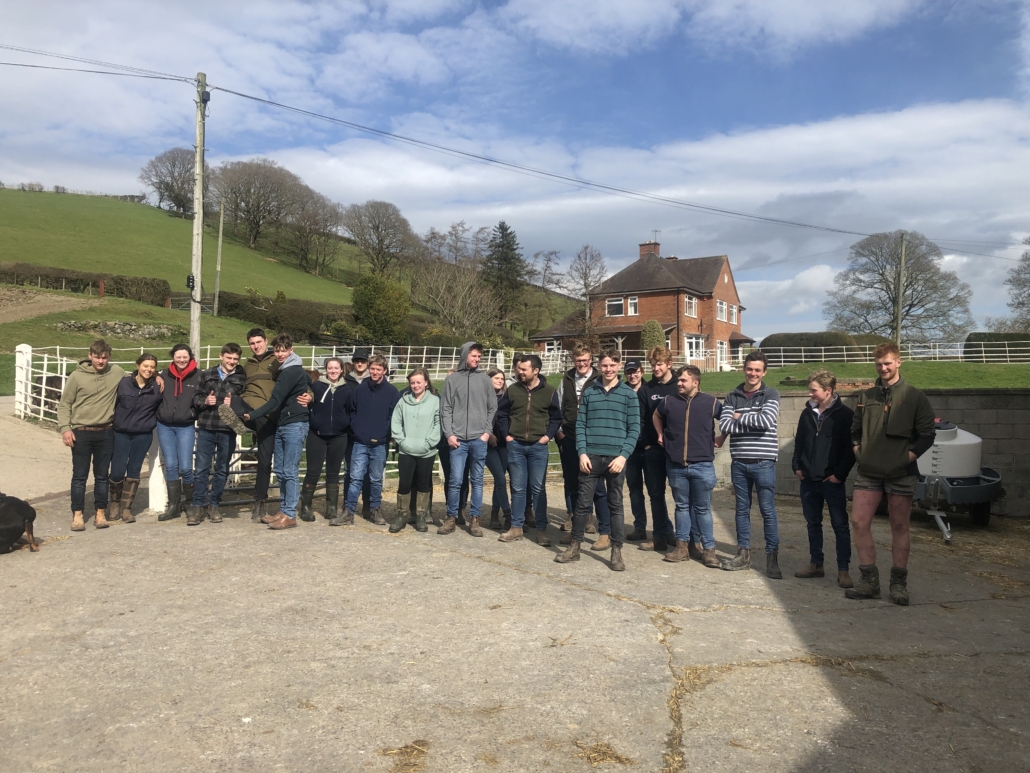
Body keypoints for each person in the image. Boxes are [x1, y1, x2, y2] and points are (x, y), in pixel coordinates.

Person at [848, 343, 935, 605]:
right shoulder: (866, 396)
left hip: (902, 472)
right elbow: (854, 431)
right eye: (879, 364)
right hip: (869, 470)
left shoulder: (915, 396)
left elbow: (927, 435)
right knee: (859, 521)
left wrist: (906, 457)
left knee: (899, 526)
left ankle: (898, 584)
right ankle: (869, 582)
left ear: (898, 362)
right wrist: (859, 452)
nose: (883, 368)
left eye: (887, 363)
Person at [555, 349, 639, 571]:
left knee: (616, 505)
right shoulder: (590, 392)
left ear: (619, 366)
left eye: (612, 365)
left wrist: (623, 456)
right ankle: (575, 547)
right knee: (582, 504)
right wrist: (582, 452)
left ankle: (616, 551)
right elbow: (580, 425)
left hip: (615, 459)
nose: (608, 369)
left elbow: (634, 429)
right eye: (605, 365)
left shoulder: (629, 395)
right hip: (590, 457)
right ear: (599, 367)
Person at [233, 335, 313, 530]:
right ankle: (284, 510)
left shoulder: (291, 371)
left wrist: (252, 415)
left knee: (290, 470)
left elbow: (275, 401)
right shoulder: (284, 369)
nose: (280, 354)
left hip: (294, 423)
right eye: (277, 350)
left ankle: (290, 514)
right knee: (280, 468)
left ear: (291, 350)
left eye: (283, 350)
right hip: (282, 422)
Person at [718, 350, 782, 579]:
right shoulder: (732, 396)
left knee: (767, 511)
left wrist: (738, 417)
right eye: (749, 369)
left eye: (757, 370)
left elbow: (766, 421)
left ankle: (772, 559)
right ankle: (742, 555)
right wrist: (747, 420)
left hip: (763, 462)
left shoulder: (771, 394)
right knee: (741, 510)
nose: (752, 373)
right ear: (743, 369)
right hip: (739, 462)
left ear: (764, 372)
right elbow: (724, 425)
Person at [791, 370, 856, 587]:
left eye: (814, 390)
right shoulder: (806, 413)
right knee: (813, 523)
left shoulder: (845, 415)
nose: (810, 394)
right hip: (808, 480)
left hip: (831, 481)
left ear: (828, 390)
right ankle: (816, 563)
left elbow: (849, 449)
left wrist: (839, 475)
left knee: (840, 525)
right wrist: (797, 467)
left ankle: (843, 569)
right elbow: (799, 442)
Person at [653, 365, 723, 567]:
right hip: (676, 465)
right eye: (678, 380)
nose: (679, 383)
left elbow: (727, 420)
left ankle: (709, 550)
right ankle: (681, 547)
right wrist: (660, 434)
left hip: (702, 465)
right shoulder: (669, 401)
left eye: (683, 380)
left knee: (703, 509)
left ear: (696, 382)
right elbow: (656, 415)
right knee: (681, 507)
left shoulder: (711, 402)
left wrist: (722, 437)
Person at [57, 339, 126, 531]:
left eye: (104, 357)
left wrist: (158, 378)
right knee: (80, 476)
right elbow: (64, 404)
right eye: (97, 357)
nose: (101, 361)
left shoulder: (116, 372)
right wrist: (65, 428)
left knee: (102, 476)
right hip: (81, 432)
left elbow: (136, 380)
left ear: (109, 357)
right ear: (90, 356)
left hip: (106, 432)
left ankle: (100, 512)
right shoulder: (76, 376)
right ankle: (78, 514)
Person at [496, 354, 561, 545]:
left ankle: (541, 530)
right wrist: (507, 435)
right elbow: (502, 414)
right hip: (515, 445)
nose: (520, 372)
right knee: (517, 487)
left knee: (538, 488)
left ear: (536, 370)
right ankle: (516, 527)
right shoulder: (513, 390)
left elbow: (556, 417)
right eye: (519, 368)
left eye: (524, 369)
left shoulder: (550, 391)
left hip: (538, 447)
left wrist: (546, 437)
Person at [438, 342, 497, 537]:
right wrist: (449, 433)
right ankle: (451, 517)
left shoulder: (485, 380)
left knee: (477, 480)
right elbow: (445, 408)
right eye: (473, 355)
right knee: (455, 480)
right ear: (464, 356)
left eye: (479, 356)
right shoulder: (452, 380)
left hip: (479, 439)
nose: (477, 359)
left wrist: (486, 432)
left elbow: (492, 407)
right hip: (458, 440)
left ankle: (475, 519)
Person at [555, 346, 610, 544]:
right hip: (569, 436)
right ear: (574, 361)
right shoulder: (566, 380)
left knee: (596, 485)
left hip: (592, 439)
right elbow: (558, 407)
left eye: (585, 360)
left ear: (591, 360)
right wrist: (559, 432)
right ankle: (574, 522)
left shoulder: (599, 380)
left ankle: (601, 528)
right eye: (578, 360)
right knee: (572, 482)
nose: (582, 364)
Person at [337, 354, 400, 526]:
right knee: (355, 477)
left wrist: (386, 433)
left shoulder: (392, 392)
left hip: (379, 443)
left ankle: (375, 510)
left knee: (376, 479)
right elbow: (352, 410)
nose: (375, 372)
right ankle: (348, 511)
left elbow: (395, 416)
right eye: (372, 369)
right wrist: (356, 428)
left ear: (384, 371)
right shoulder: (360, 389)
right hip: (360, 441)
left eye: (378, 369)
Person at [190, 343, 246, 525]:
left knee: (222, 469)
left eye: (235, 359)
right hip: (207, 426)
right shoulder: (207, 374)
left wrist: (235, 403)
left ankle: (214, 505)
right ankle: (198, 505)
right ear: (221, 356)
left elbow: (246, 402)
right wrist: (205, 401)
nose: (232, 362)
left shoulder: (241, 377)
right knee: (201, 468)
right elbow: (195, 397)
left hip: (228, 429)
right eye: (229, 358)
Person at [108, 353, 164, 524]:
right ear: (138, 365)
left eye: (152, 367)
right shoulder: (123, 383)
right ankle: (115, 503)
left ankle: (126, 508)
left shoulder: (157, 387)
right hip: (121, 433)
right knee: (117, 470)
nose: (149, 369)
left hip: (142, 434)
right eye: (145, 366)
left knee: (134, 470)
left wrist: (158, 376)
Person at [634, 346, 679, 551]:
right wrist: (646, 444)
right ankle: (659, 536)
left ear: (669, 364)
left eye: (659, 364)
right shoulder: (646, 390)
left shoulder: (679, 385)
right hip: (654, 450)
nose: (656, 368)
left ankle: (683, 538)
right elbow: (640, 420)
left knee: (680, 497)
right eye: (653, 365)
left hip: (677, 450)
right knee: (655, 494)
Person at [301, 357, 353, 522]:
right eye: (330, 368)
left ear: (341, 370)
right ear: (326, 369)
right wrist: (314, 421)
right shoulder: (316, 386)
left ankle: (331, 507)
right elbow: (309, 405)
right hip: (317, 435)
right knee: (313, 471)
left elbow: (350, 410)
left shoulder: (347, 390)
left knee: (333, 472)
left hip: (339, 436)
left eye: (336, 368)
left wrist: (344, 424)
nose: (333, 371)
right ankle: (306, 507)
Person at [390, 367, 441, 533]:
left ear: (426, 383)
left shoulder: (435, 401)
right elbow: (396, 422)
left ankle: (421, 515)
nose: (415, 385)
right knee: (404, 483)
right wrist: (402, 441)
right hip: (406, 450)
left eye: (419, 382)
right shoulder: (403, 401)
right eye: (412, 383)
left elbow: (438, 424)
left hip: (426, 451)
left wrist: (430, 442)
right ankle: (401, 515)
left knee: (423, 483)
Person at [237, 329, 280, 524]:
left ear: (266, 341)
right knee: (230, 402)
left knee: (264, 460)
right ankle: (238, 426)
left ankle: (260, 502)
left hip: (266, 414)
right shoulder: (247, 365)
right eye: (252, 343)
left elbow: (298, 378)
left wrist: (309, 395)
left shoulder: (277, 360)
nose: (256, 346)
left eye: (258, 342)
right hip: (248, 408)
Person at [156, 344, 200, 521]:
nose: (181, 360)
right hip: (165, 425)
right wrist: (155, 375)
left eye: (185, 357)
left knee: (186, 467)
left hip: (185, 425)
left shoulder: (198, 376)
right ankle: (174, 506)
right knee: (171, 465)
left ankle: (190, 503)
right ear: (173, 357)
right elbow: (142, 374)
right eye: (178, 357)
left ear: (190, 357)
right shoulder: (163, 374)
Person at [622, 359, 650, 547]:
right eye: (629, 372)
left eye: (635, 371)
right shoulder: (621, 391)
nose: (632, 375)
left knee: (655, 490)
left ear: (641, 371)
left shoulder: (650, 389)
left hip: (649, 447)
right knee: (634, 489)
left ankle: (664, 529)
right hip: (629, 449)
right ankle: (640, 526)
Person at [343, 348, 372, 518]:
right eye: (357, 361)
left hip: (368, 432)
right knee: (349, 470)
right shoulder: (346, 381)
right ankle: (347, 505)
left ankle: (367, 505)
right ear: (353, 362)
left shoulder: (373, 380)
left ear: (367, 362)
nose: (360, 363)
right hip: (350, 433)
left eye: (362, 361)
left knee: (367, 471)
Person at [485, 368, 513, 532]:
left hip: (503, 443)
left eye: (502, 378)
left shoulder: (506, 397)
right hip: (487, 444)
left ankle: (495, 514)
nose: (500, 381)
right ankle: (508, 515)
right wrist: (488, 434)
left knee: (500, 480)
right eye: (496, 378)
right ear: (488, 380)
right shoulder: (482, 397)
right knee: (501, 479)